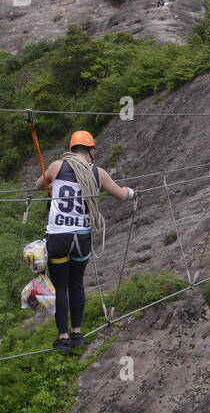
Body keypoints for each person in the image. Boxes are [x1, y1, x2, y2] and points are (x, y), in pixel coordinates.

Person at [33, 130, 135, 353]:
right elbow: (120, 194)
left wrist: (50, 184)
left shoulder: (57, 167)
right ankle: (77, 333)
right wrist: (131, 192)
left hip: (59, 236)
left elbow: (39, 185)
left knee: (60, 286)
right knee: (76, 284)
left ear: (71, 149)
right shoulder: (98, 173)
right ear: (92, 150)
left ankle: (63, 337)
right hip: (81, 236)